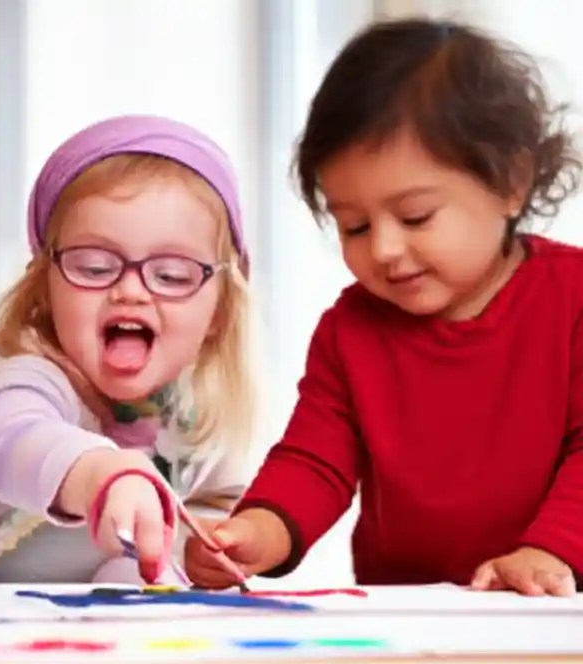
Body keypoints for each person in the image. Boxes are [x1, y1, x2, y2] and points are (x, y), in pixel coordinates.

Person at [186, 18, 583, 597]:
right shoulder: (350, 330)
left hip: (560, 604)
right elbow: (314, 461)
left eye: (416, 216)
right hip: (412, 611)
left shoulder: (572, 299)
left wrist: (546, 552)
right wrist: (255, 532)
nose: (385, 249)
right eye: (355, 225)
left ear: (511, 183)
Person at [0, 115, 258, 584]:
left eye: (171, 275)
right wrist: (100, 475)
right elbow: (11, 441)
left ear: (218, 312)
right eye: (93, 267)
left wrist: (213, 547)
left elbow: (215, 505)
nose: (131, 291)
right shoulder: (20, 377)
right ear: (44, 290)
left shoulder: (196, 411)